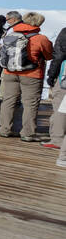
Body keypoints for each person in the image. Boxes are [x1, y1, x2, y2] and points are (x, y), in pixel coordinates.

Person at [0, 11, 53, 141]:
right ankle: (28, 133)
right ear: (38, 23)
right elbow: (49, 55)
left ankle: (5, 129)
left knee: (8, 101)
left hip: (10, 72)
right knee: (30, 104)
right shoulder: (40, 38)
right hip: (31, 74)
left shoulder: (11, 34)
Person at [45, 22, 66, 150]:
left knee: (61, 108)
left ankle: (57, 139)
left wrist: (51, 75)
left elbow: (58, 56)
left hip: (64, 78)